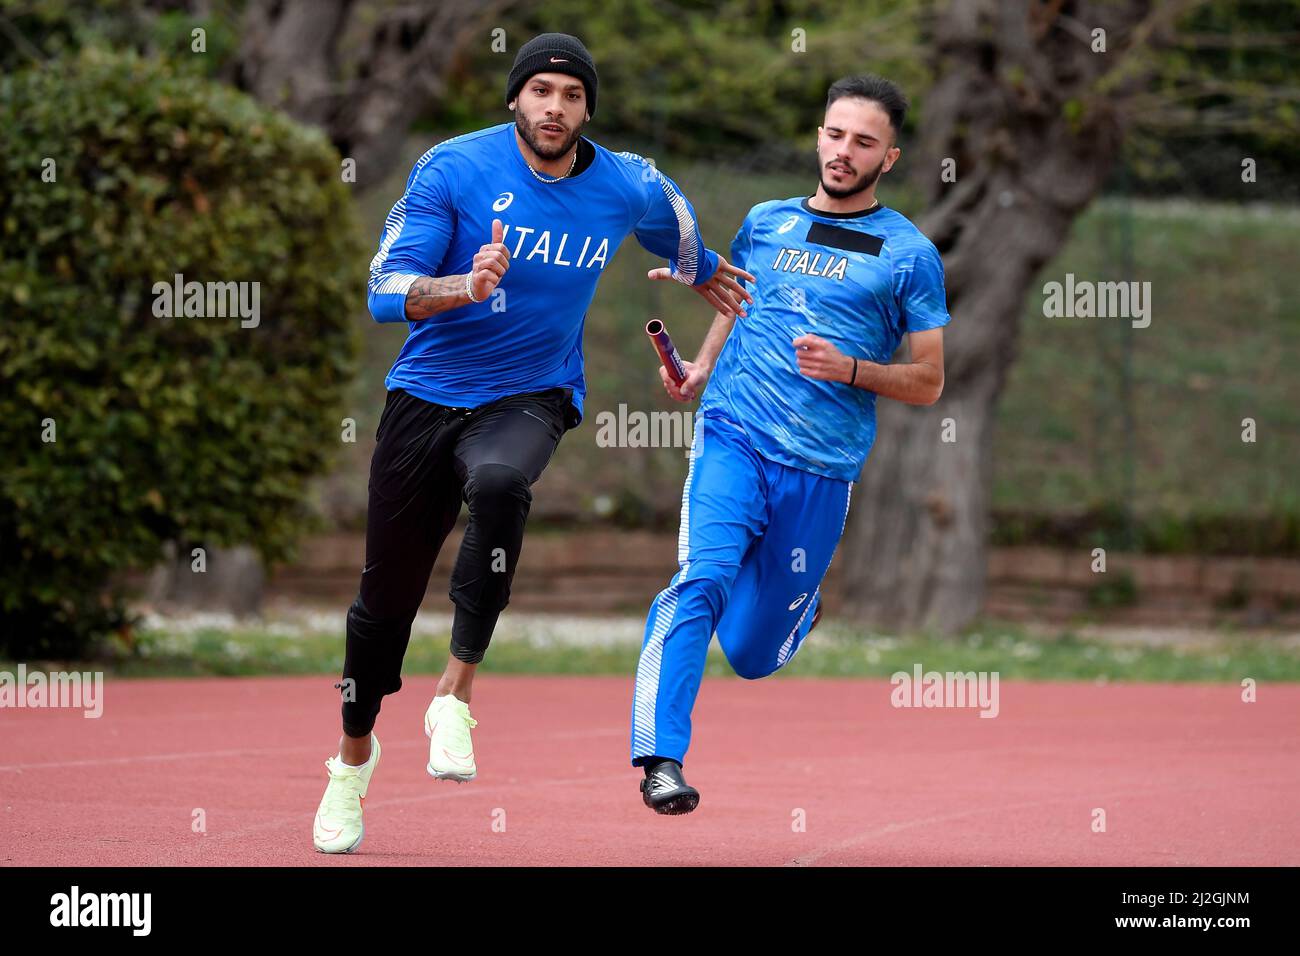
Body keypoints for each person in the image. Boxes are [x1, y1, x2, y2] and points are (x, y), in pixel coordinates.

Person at [313, 32, 754, 852]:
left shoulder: (627, 183)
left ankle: (457, 692)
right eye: (541, 91)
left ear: (589, 109)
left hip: (533, 392)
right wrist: (461, 288)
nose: (555, 107)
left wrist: (707, 275)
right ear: (516, 98)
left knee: (502, 484)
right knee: (381, 610)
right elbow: (383, 286)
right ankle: (352, 758)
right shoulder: (453, 166)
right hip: (425, 396)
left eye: (572, 95)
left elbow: (684, 241)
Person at [630, 74, 950, 814]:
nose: (843, 152)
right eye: (835, 135)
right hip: (732, 436)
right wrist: (703, 367)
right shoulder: (766, 221)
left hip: (820, 470)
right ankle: (660, 760)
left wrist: (855, 370)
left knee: (749, 654)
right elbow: (737, 302)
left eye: (863, 142)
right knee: (699, 580)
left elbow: (930, 381)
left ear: (889, 157)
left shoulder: (908, 256)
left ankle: (797, 607)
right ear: (818, 136)